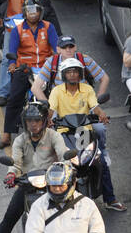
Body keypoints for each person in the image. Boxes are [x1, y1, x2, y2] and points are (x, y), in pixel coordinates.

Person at [0, 102, 65, 233]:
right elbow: (16, 163)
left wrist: (67, 166)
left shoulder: (54, 136)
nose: (33, 124)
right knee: (9, 217)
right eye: (29, 121)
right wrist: (12, 174)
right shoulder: (20, 140)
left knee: (67, 213)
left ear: (44, 121)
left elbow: (63, 155)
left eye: (37, 120)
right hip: (28, 184)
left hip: (50, 185)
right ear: (25, 122)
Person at [48, 58, 125, 212]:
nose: (72, 75)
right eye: (69, 72)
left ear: (80, 74)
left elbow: (95, 106)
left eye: (75, 72)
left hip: (83, 131)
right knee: (56, 164)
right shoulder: (56, 91)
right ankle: (52, 198)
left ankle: (110, 199)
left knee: (100, 161)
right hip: (63, 132)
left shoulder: (87, 89)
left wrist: (101, 114)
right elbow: (51, 109)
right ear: (64, 75)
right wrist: (48, 119)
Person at [0, 0, 59, 147]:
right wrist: (12, 64)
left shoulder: (49, 27)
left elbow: (57, 48)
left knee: (59, 95)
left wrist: (58, 60)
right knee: (14, 99)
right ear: (25, 13)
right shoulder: (17, 30)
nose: (33, 13)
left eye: (35, 10)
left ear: (40, 12)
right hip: (25, 69)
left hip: (46, 69)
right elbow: (12, 52)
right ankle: (6, 136)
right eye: (29, 11)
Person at [32, 35, 107, 101]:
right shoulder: (51, 62)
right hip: (60, 106)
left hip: (84, 104)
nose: (68, 50)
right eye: (64, 47)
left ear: (75, 47)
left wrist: (98, 99)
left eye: (71, 47)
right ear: (58, 49)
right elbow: (35, 88)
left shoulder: (85, 60)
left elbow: (104, 78)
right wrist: (48, 106)